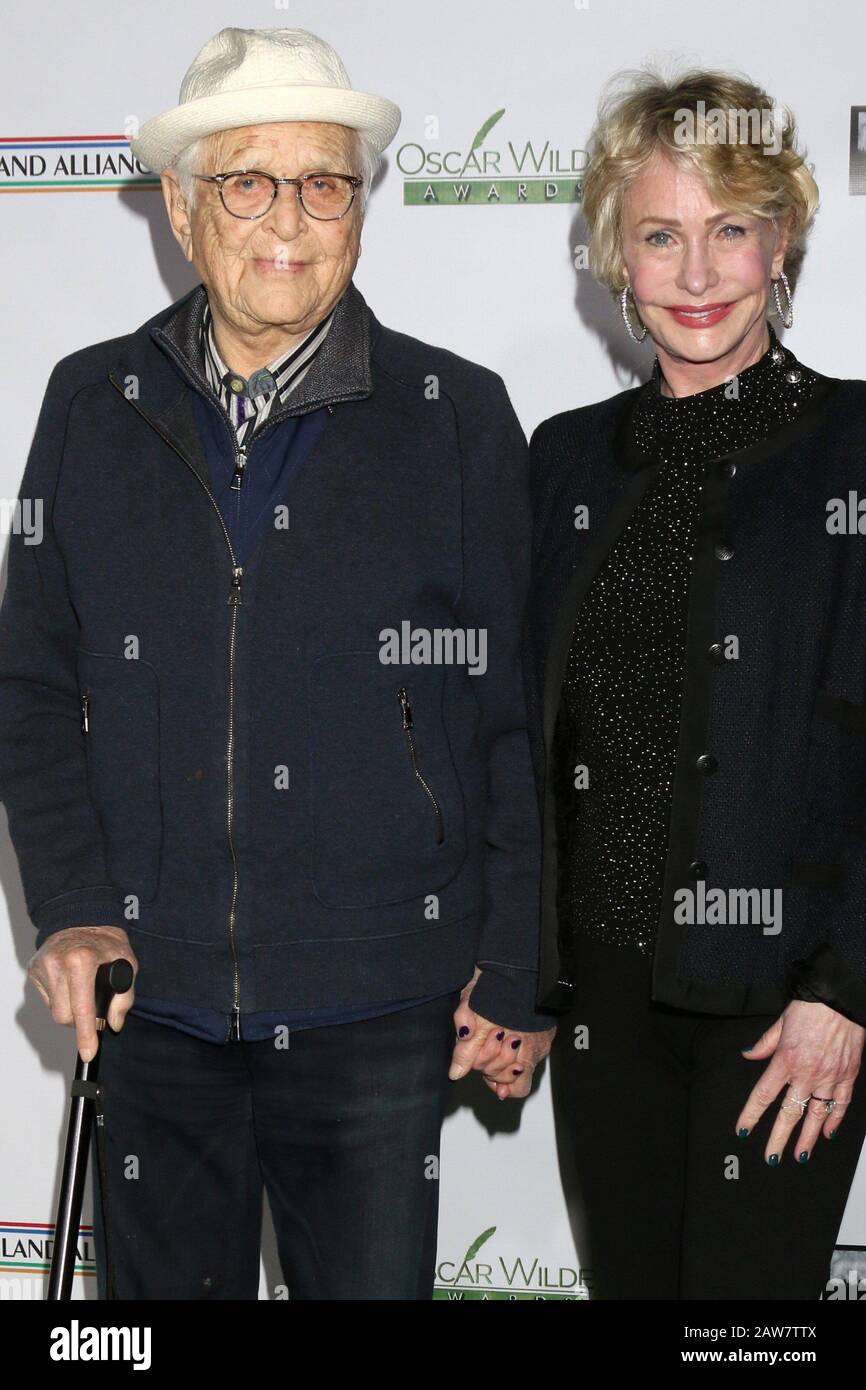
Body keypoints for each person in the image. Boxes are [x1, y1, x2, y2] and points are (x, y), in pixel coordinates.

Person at [0, 26, 554, 1301]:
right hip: (152, 1003)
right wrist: (75, 905)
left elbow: (513, 715)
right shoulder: (90, 404)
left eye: (323, 183)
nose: (288, 221)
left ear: (358, 209)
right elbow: (31, 683)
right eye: (248, 181)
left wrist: (520, 966)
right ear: (183, 212)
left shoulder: (455, 415)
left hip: (376, 1000)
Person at [524, 67, 866, 1299]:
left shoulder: (852, 445)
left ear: (780, 240)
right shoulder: (562, 461)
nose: (697, 272)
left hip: (783, 1008)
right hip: (601, 1001)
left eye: (729, 229)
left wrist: (847, 988)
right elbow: (522, 741)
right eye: (659, 235)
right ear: (616, 254)